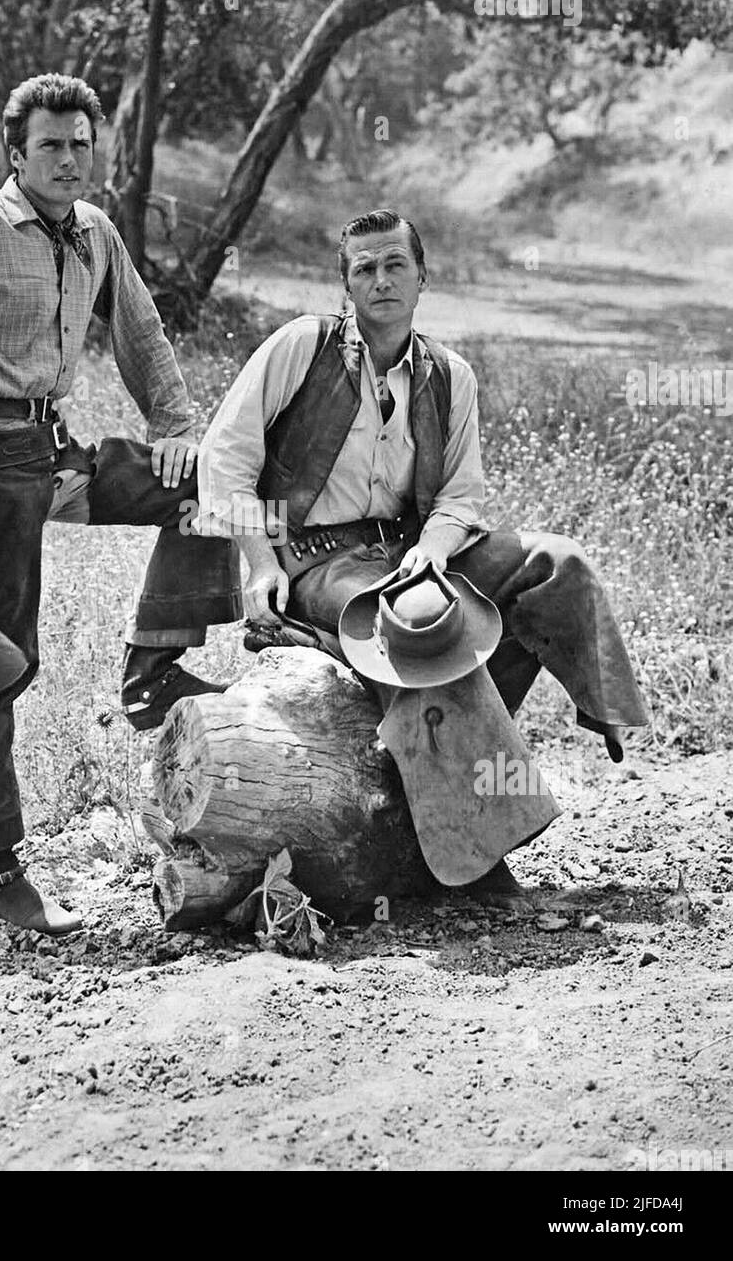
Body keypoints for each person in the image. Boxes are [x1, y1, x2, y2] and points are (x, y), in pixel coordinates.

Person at [0, 73, 238, 936]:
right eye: (51, 145)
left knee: (206, 484)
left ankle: (152, 672)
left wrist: (179, 426)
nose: (70, 158)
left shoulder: (95, 233)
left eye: (81, 143)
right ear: (16, 153)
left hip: (53, 453)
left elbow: (141, 332)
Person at [192, 208, 649, 894]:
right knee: (416, 629)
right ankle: (473, 851)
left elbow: (460, 498)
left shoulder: (449, 374)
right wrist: (260, 563)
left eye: (393, 264)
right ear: (344, 285)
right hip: (319, 561)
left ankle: (595, 712)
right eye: (364, 268)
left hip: (410, 553)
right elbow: (224, 461)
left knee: (554, 563)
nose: (380, 280)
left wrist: (433, 549)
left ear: (422, 276)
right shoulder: (300, 346)